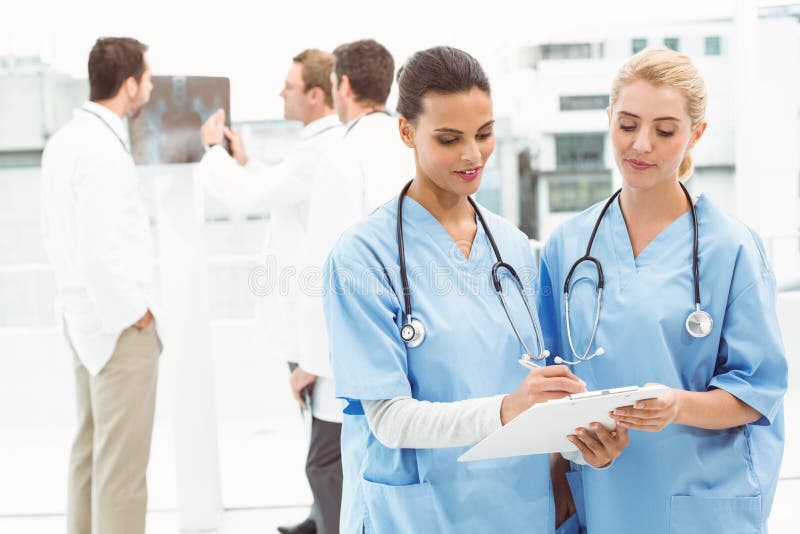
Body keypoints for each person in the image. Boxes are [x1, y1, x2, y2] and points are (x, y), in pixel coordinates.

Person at [322, 46, 628, 533]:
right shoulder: (364, 256)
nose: (472, 155)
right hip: (418, 512)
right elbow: (389, 420)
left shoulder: (513, 247)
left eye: (484, 135)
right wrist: (508, 409)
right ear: (407, 132)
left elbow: (544, 388)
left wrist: (584, 445)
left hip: (515, 507)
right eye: (449, 139)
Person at [537, 47, 788, 534]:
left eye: (665, 130)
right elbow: (549, 380)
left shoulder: (731, 247)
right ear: (608, 118)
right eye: (627, 125)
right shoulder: (568, 246)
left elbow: (758, 389)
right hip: (601, 494)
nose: (641, 145)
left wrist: (678, 406)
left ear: (697, 134)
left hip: (700, 496)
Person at [197, 49, 344, 534]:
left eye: (288, 85)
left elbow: (249, 196)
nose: (280, 92)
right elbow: (279, 186)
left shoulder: (321, 150)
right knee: (319, 436)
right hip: (304, 327)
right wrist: (247, 160)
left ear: (316, 94)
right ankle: (319, 516)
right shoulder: (317, 147)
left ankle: (330, 522)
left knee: (326, 447)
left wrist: (213, 151)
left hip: (315, 329)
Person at [40, 37, 161, 534]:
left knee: (90, 453)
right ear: (129, 84)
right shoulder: (101, 150)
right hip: (116, 329)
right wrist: (138, 314)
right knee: (122, 470)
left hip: (81, 319)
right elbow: (100, 250)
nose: (150, 88)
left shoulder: (66, 140)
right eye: (148, 79)